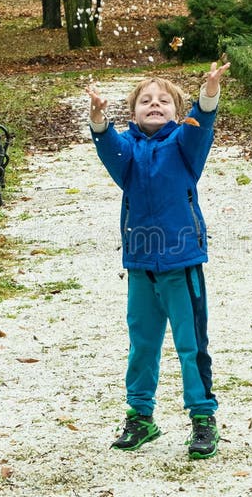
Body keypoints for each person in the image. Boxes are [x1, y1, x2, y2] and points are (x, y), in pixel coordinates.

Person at [87, 61, 230, 459]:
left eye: (163, 101)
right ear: (132, 113)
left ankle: (203, 419)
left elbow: (203, 119)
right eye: (145, 101)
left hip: (182, 263)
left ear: (177, 110)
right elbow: (110, 149)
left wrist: (209, 93)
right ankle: (141, 416)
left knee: (190, 344)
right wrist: (99, 122)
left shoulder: (186, 142)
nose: (154, 105)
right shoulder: (128, 153)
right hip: (139, 264)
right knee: (142, 343)